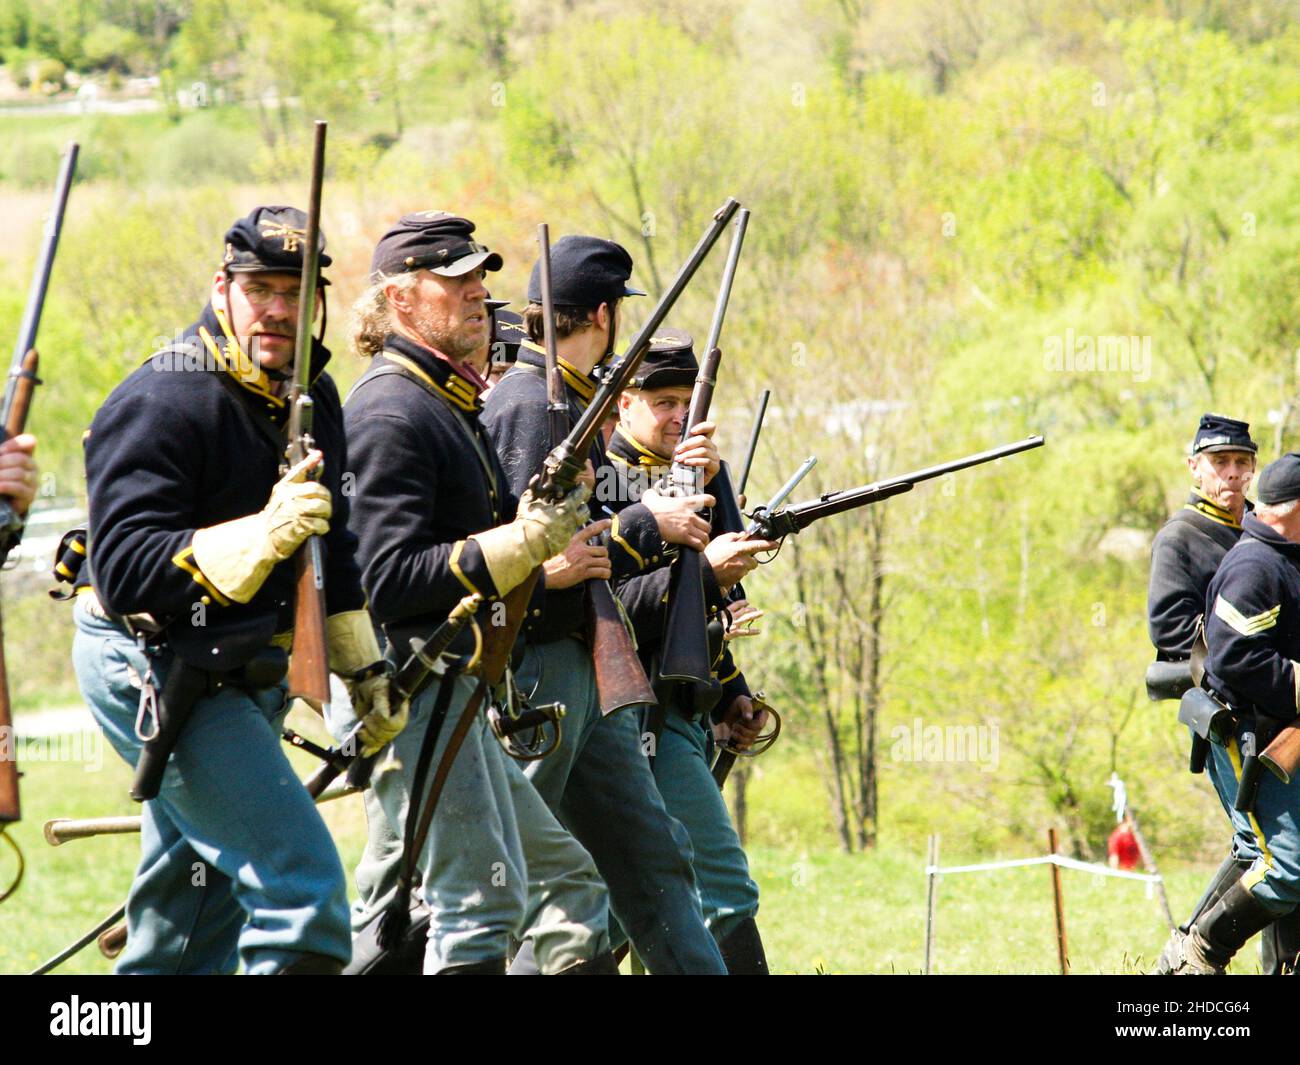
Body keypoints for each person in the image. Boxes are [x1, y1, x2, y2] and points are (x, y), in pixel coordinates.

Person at [72, 206, 404, 974]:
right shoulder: (162, 397)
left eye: (295, 289)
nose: (279, 308)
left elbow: (337, 543)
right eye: (261, 287)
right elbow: (123, 572)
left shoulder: (312, 394)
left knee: (184, 925)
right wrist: (264, 532)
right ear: (222, 290)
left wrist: (363, 667)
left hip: (238, 662)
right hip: (154, 661)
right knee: (303, 893)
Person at [341, 211, 615, 974]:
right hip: (408, 684)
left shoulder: (446, 404)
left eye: (479, 278)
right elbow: (386, 581)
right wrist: (522, 541)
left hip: (451, 687)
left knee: (560, 879)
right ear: (400, 300)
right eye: (454, 280)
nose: (477, 293)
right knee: (476, 903)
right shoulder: (392, 411)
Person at [481, 235, 728, 974]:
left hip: (589, 669)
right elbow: (529, 553)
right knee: (506, 881)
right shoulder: (529, 406)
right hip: (540, 668)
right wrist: (649, 523)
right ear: (602, 314)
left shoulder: (566, 402)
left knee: (656, 865)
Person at [604, 328, 777, 973]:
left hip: (683, 707)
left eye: (688, 402)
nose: (679, 415)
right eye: (663, 402)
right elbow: (615, 609)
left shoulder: (694, 473)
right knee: (701, 891)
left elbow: (710, 615)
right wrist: (705, 569)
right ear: (623, 404)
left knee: (693, 892)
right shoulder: (606, 481)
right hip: (625, 709)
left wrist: (732, 693)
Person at [1164, 453, 1300, 974]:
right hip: (1248, 730)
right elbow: (1235, 658)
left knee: (1258, 855)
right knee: (1285, 869)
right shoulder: (1254, 566)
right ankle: (1201, 952)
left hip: (1276, 724)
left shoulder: (1285, 555)